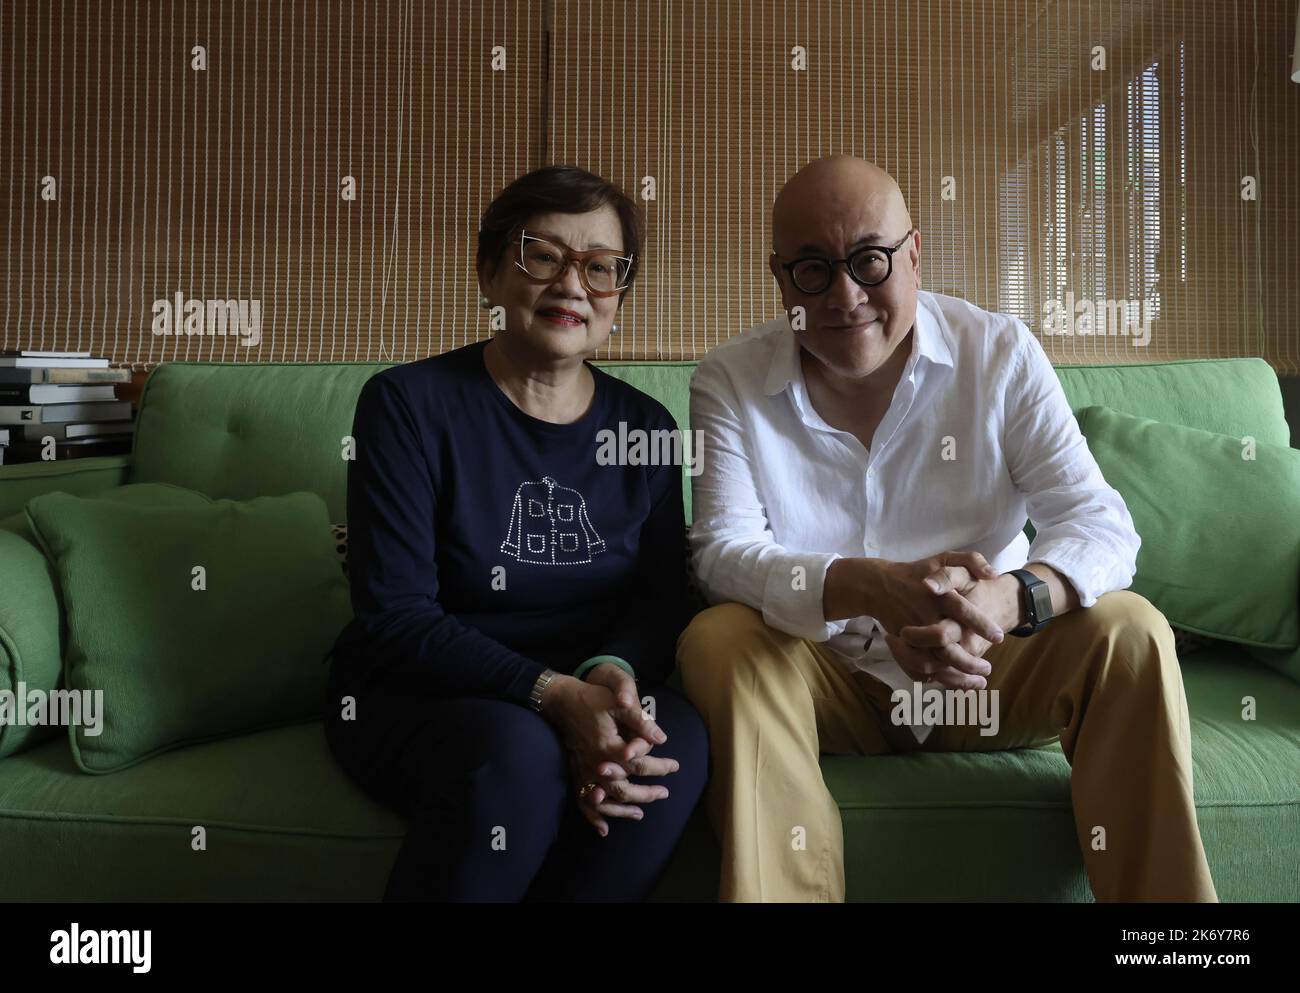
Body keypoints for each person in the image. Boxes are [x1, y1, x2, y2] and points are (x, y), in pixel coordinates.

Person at [677, 154, 1216, 903]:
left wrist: (1005, 601)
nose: (844, 295)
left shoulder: (998, 353)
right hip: (825, 678)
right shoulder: (729, 379)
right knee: (718, 639)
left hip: (987, 666)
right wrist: (870, 587)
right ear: (780, 278)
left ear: (915, 255)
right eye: (812, 269)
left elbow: (1098, 522)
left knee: (1132, 627)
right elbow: (719, 554)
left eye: (869, 260)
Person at [325, 164, 708, 902]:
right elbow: (394, 614)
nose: (573, 285)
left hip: (585, 678)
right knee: (518, 755)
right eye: (543, 254)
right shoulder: (408, 405)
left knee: (676, 740)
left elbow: (665, 598)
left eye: (601, 267)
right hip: (423, 690)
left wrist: (607, 678)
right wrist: (551, 695)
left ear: (619, 295)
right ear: (490, 270)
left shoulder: (646, 429)